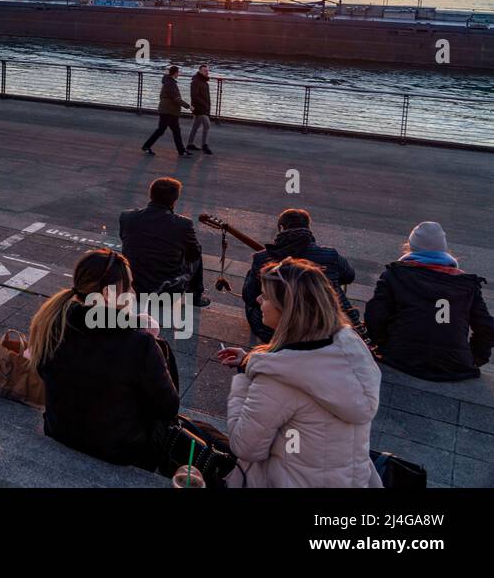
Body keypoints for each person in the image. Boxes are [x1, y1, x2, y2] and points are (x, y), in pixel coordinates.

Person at [216, 258, 382, 487]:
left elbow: (245, 446)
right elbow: (307, 370)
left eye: (265, 297)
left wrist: (243, 381)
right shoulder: (350, 347)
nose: (258, 299)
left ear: (287, 310)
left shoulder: (278, 381)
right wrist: (249, 360)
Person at [29, 249, 180, 472]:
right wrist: (158, 353)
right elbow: (168, 408)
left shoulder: (52, 325)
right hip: (121, 450)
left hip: (60, 431)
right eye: (129, 287)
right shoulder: (140, 345)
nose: (133, 292)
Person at [365, 222, 494, 382]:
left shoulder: (395, 275)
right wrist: (475, 358)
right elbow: (487, 327)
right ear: (443, 249)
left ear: (411, 247)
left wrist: (383, 345)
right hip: (456, 365)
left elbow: (375, 317)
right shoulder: (467, 285)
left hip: (401, 357)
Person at [242, 209, 357, 342]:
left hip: (274, 331)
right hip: (323, 326)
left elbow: (249, 296)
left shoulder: (261, 258)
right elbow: (349, 276)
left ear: (281, 228)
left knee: (253, 293)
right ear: (308, 227)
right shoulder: (330, 255)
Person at [119, 177, 207, 307]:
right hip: (168, 292)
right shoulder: (182, 224)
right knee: (196, 257)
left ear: (151, 195)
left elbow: (124, 239)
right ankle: (196, 297)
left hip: (135, 287)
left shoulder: (127, 217)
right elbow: (194, 253)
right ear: (174, 201)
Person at [142, 65, 192, 156]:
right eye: (178, 72)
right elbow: (175, 98)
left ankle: (181, 151)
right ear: (175, 73)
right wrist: (188, 106)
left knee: (176, 131)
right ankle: (146, 146)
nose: (179, 74)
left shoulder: (169, 82)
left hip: (171, 111)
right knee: (161, 130)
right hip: (167, 111)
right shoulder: (170, 83)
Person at [185, 64, 213, 155]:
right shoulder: (196, 81)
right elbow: (194, 95)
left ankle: (190, 144)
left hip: (204, 108)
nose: (207, 72)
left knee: (195, 126)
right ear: (200, 71)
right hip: (199, 108)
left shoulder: (204, 82)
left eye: (207, 70)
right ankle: (204, 145)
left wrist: (207, 106)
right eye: (205, 70)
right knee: (207, 125)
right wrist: (204, 104)